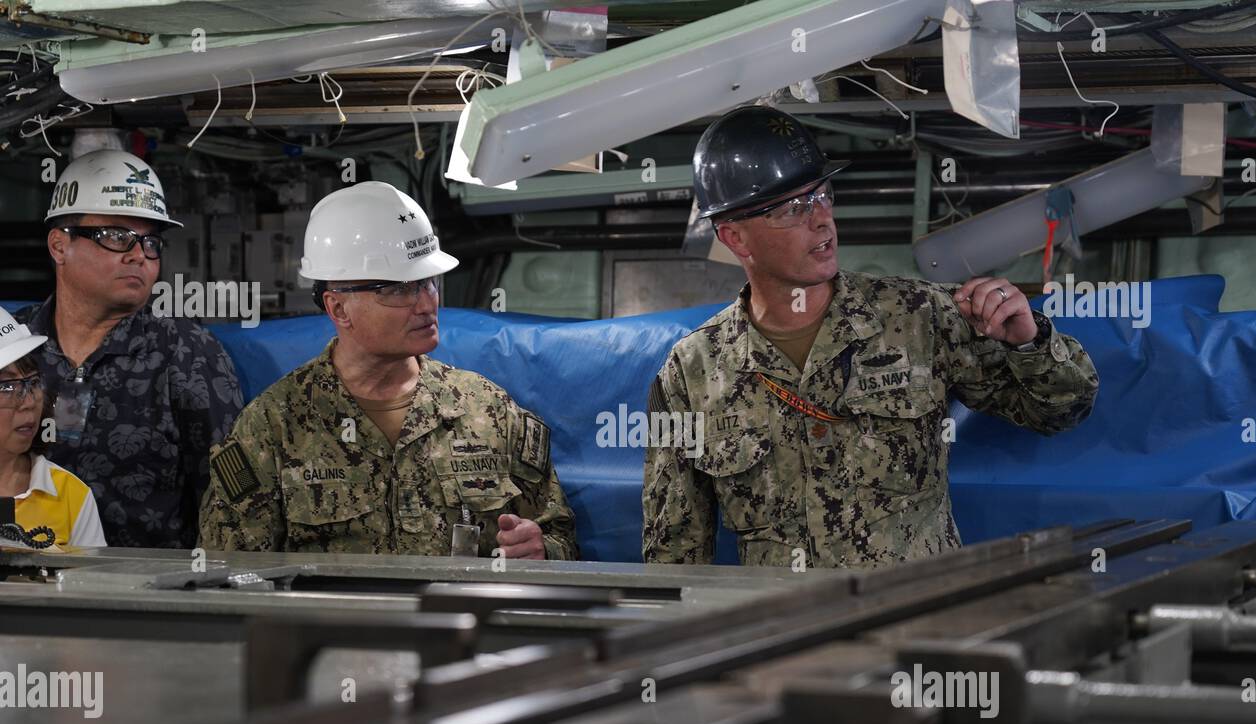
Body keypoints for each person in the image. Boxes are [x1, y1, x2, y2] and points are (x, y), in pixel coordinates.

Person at [643, 105, 1099, 568]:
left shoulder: (922, 318)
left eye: (823, 196)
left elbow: (1061, 411)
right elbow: (675, 545)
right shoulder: (692, 371)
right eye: (794, 208)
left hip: (911, 619)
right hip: (784, 628)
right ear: (736, 238)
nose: (821, 220)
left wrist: (1026, 341)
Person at [198, 181, 578, 560]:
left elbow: (558, 535)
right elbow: (230, 568)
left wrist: (540, 550)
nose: (427, 303)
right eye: (398, 289)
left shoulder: (488, 411)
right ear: (338, 308)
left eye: (429, 282)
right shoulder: (273, 427)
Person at [13, 149, 244, 549]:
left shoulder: (187, 353)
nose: (139, 255)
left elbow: (234, 502)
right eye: (117, 237)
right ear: (58, 245)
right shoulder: (14, 347)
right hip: (26, 590)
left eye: (150, 242)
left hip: (145, 599)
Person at [0, 312, 105, 551]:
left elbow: (89, 585)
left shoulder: (71, 495)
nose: (28, 402)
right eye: (6, 386)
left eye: (33, 383)